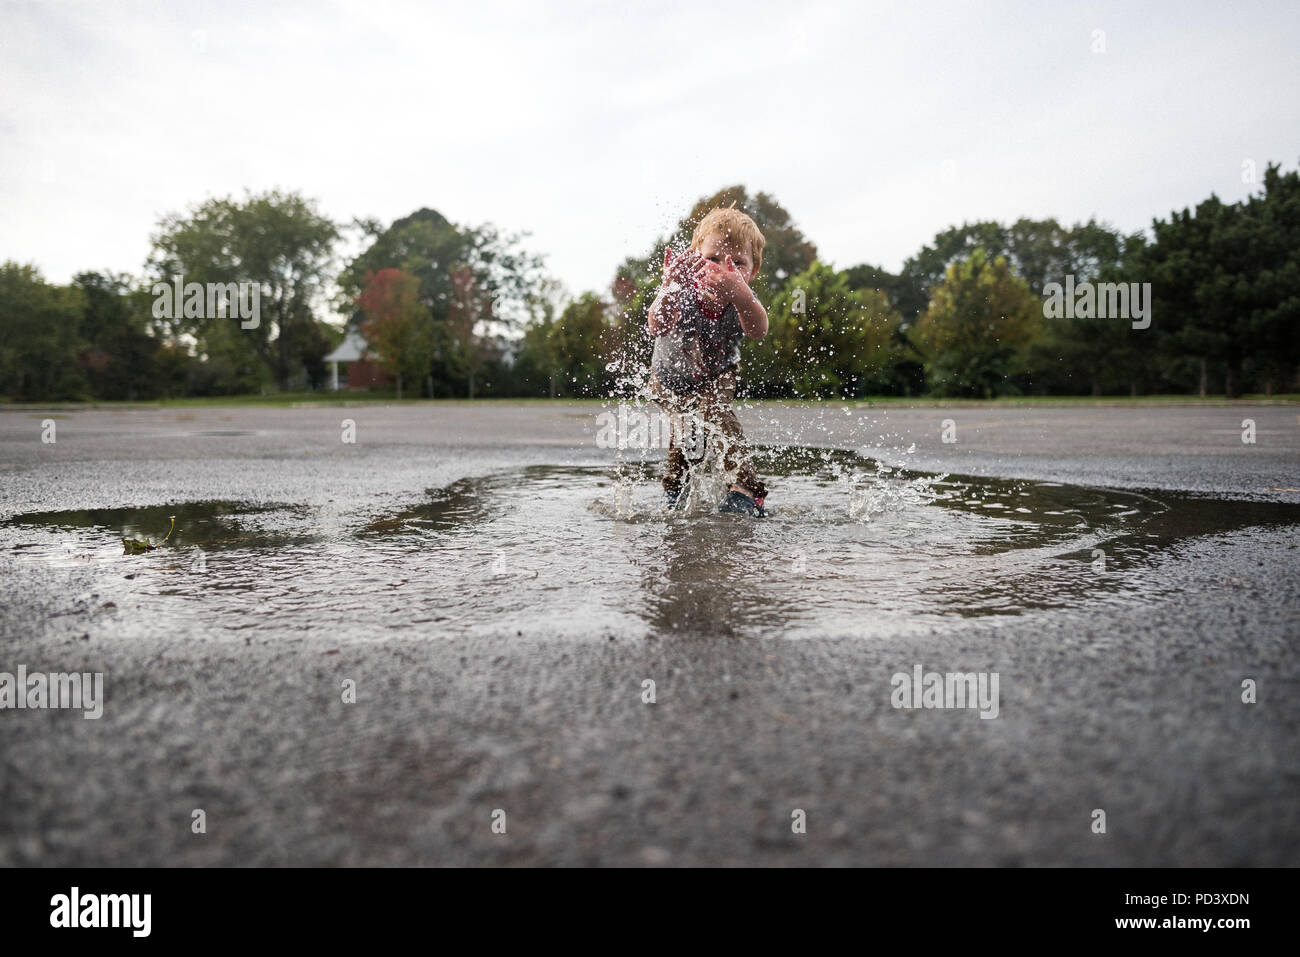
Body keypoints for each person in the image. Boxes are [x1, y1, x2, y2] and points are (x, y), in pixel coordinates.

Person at [646, 205, 770, 516]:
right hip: (667, 378)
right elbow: (657, 325)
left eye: (737, 263)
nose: (722, 268)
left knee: (716, 412)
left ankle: (746, 489)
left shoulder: (742, 295)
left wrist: (741, 294)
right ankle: (676, 489)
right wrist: (668, 289)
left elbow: (758, 330)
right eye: (712, 259)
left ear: (753, 272)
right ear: (693, 257)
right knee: (686, 434)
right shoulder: (681, 288)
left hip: (718, 373)